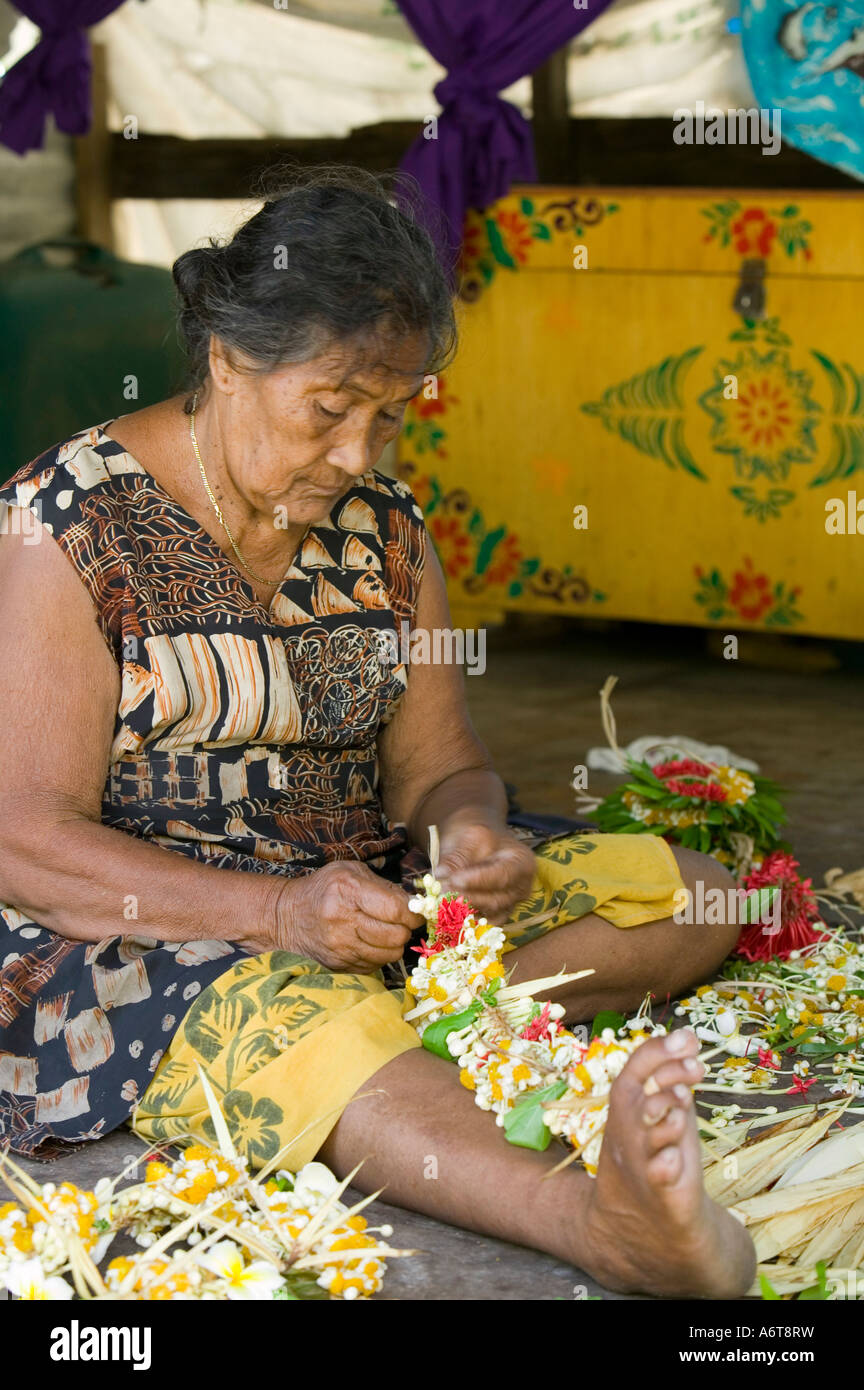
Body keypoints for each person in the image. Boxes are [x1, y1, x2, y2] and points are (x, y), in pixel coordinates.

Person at [0, 168, 754, 1297]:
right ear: (226, 360)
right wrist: (273, 914)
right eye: (330, 408)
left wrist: (468, 843)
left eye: (390, 415)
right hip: (151, 938)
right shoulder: (65, 519)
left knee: (691, 893)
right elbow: (22, 836)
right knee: (295, 1021)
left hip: (363, 904)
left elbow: (442, 766)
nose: (361, 453)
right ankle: (588, 1216)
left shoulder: (387, 528)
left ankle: (389, 1039)